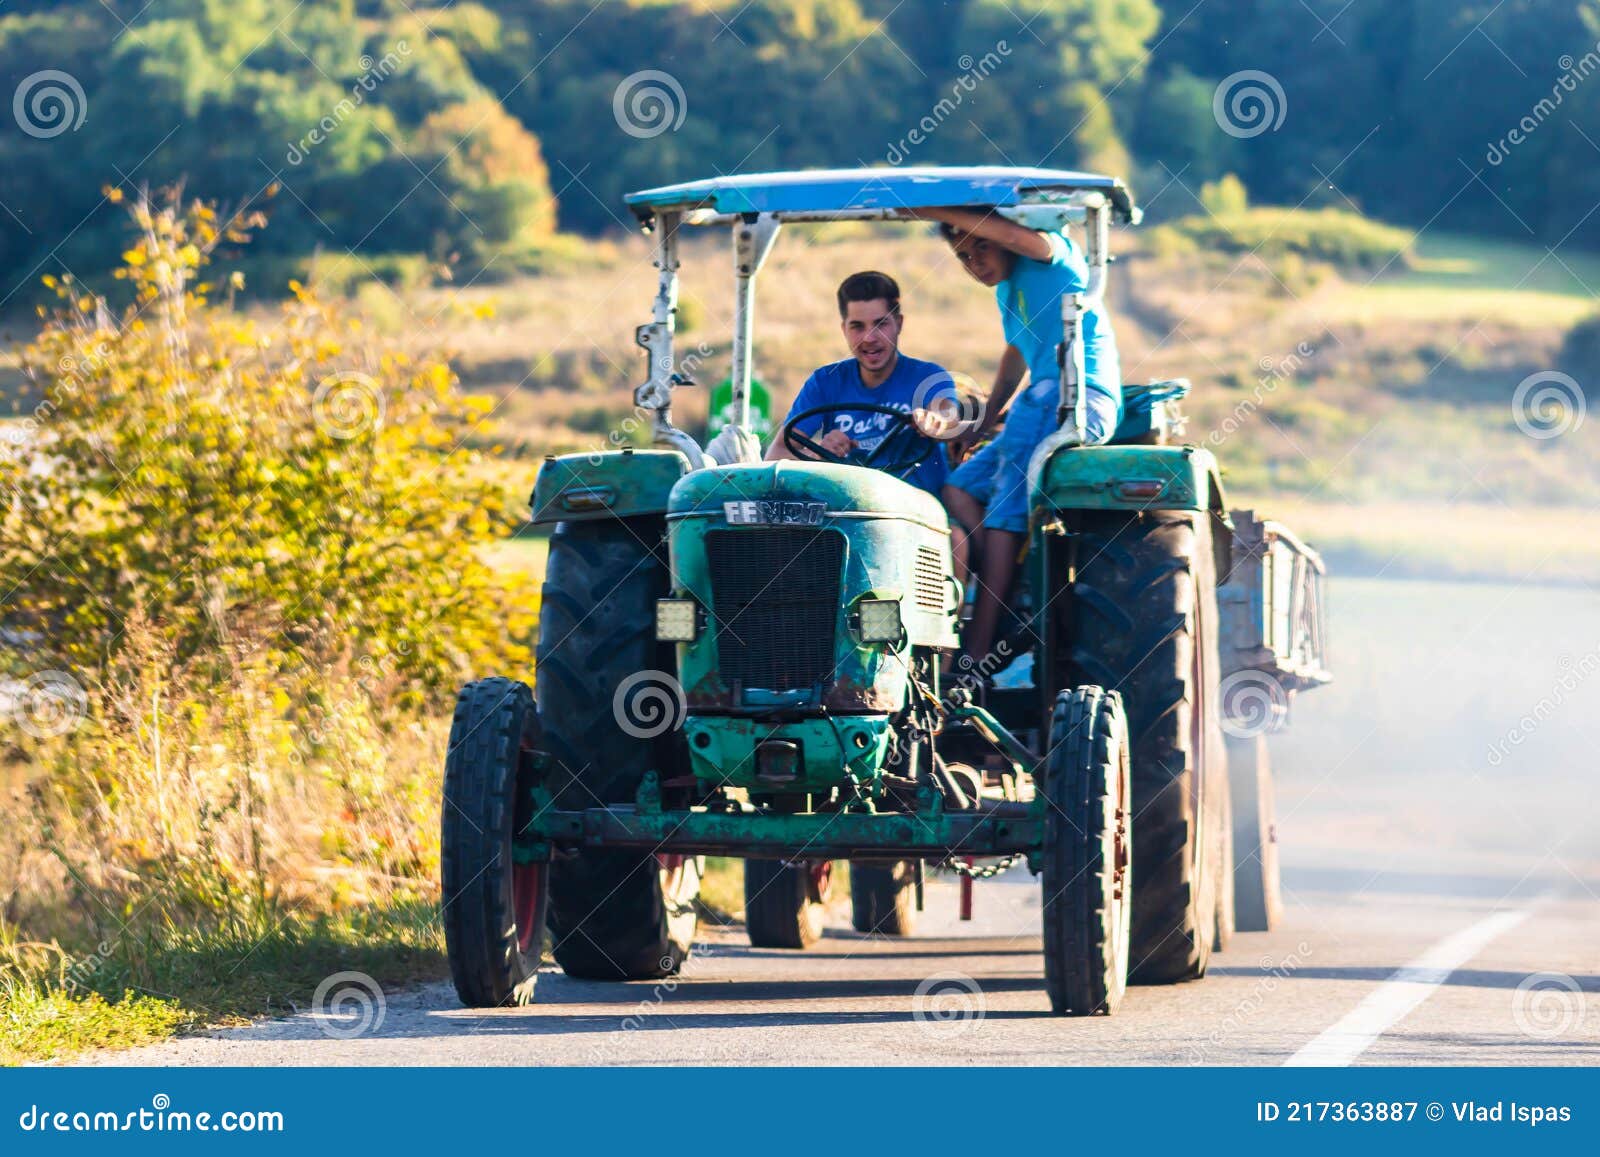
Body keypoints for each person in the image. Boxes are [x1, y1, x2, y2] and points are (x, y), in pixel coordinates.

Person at [912, 207, 1123, 669]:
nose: (974, 264)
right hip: (1038, 400)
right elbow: (1016, 354)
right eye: (963, 257)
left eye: (980, 248)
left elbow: (1010, 232)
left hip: (1074, 397)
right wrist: (986, 419)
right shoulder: (1008, 291)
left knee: (1006, 511)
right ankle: (1005, 590)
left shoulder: (1054, 257)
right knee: (958, 488)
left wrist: (929, 207)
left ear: (1004, 238)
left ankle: (977, 654)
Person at [766, 270, 958, 499]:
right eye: (857, 326)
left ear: (899, 323)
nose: (869, 338)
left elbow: (948, 416)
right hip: (849, 511)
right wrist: (817, 455)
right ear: (844, 330)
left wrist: (934, 422)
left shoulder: (928, 376)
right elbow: (775, 456)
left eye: (881, 324)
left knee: (956, 535)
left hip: (916, 513)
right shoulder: (825, 381)